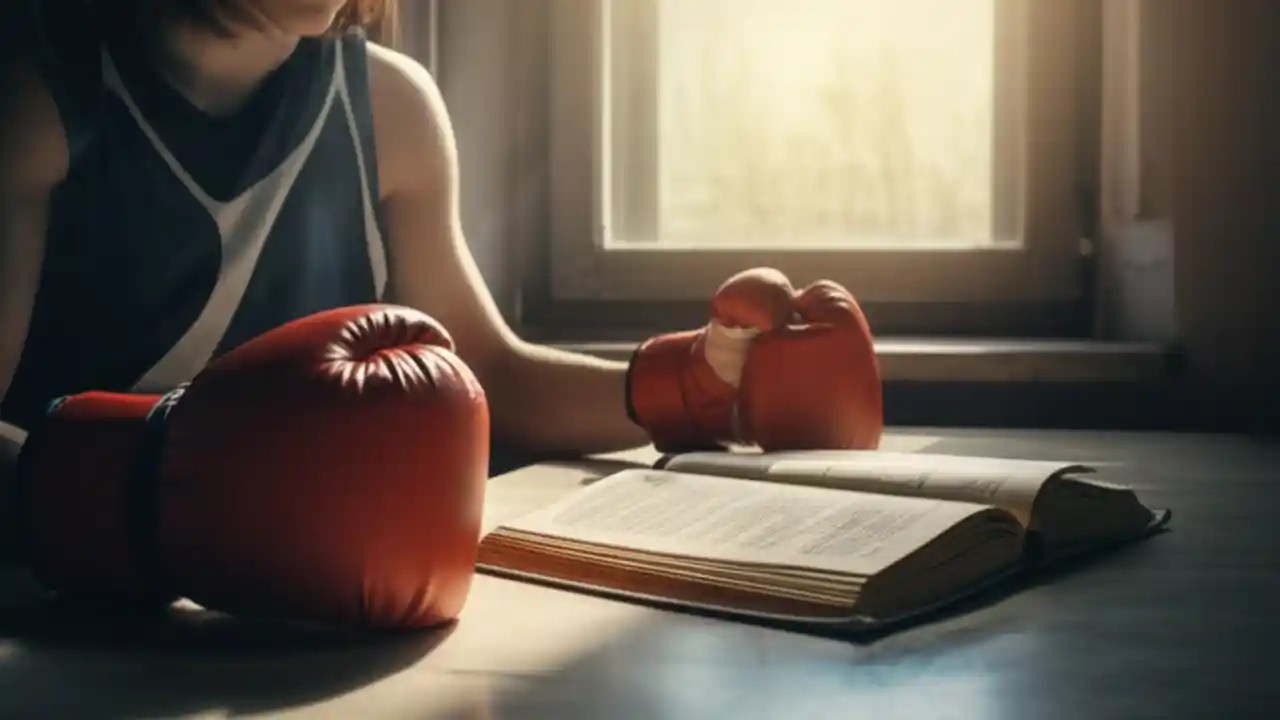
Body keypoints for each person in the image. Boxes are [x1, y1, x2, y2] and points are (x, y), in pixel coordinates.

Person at [0, 0, 881, 560]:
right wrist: (160, 493)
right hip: (67, 631)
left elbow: (484, 372)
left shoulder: (391, 107)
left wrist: (702, 388)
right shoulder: (39, 98)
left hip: (311, 624)